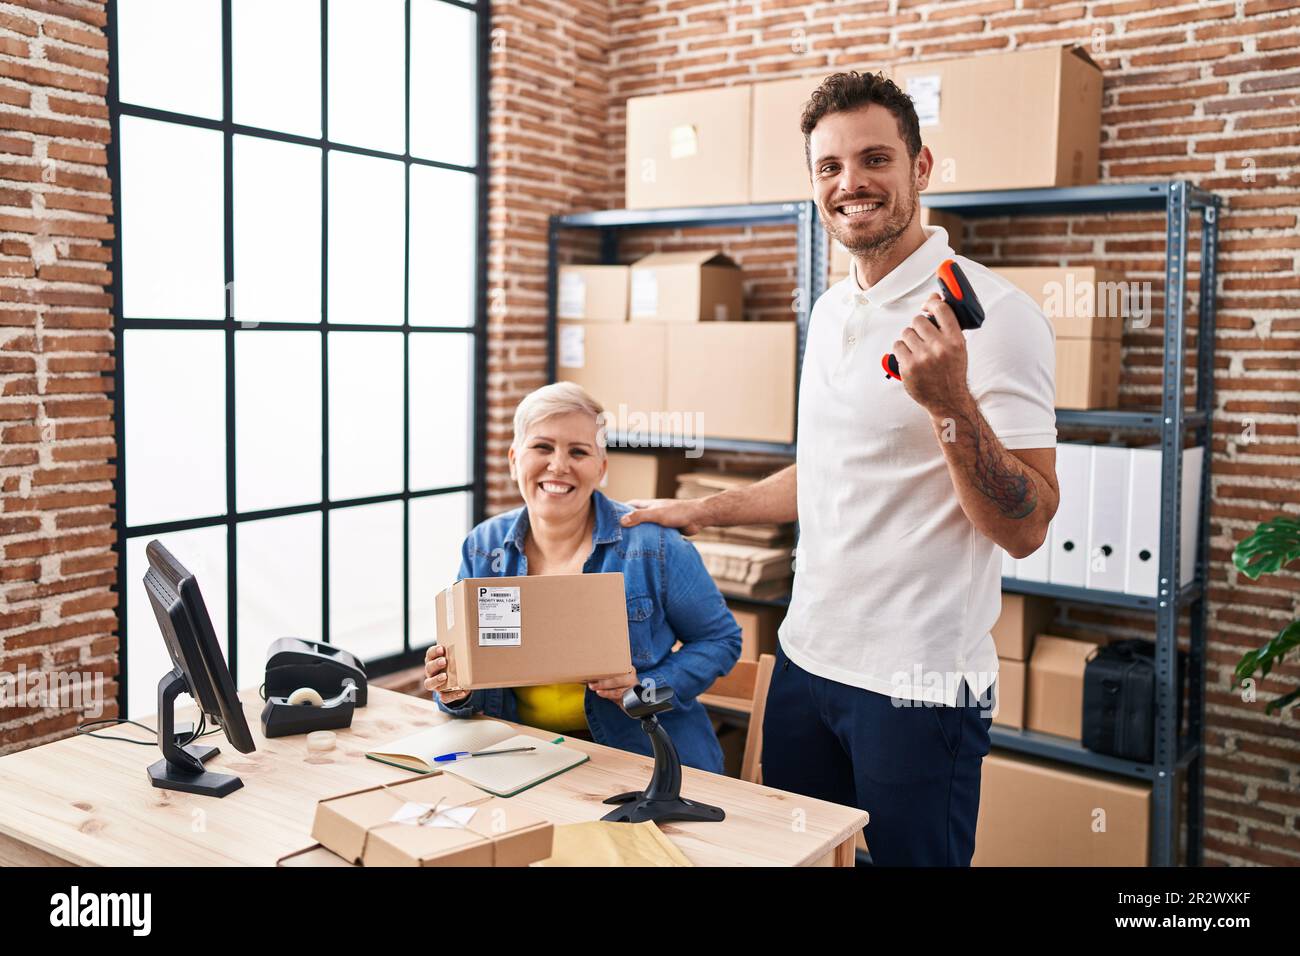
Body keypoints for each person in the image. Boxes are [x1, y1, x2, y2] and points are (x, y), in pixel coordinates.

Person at [621, 71, 1060, 865]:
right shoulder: (829, 310)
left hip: (917, 686)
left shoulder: (997, 316)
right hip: (806, 663)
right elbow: (826, 474)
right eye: (829, 167)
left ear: (921, 168)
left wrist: (949, 399)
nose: (851, 184)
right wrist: (699, 512)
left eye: (874, 159)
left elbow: (1026, 528)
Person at [424, 382, 741, 773]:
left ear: (601, 468)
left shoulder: (655, 545)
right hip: (522, 755)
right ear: (513, 459)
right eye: (542, 447)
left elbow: (721, 639)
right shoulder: (482, 546)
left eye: (578, 451)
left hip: (641, 755)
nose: (559, 465)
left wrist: (644, 687)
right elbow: (464, 687)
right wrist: (455, 692)